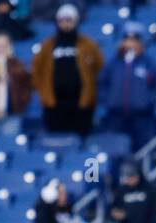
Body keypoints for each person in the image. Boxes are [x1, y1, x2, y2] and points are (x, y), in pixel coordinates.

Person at [32, 4, 103, 137]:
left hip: (81, 104)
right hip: (54, 104)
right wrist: (44, 92)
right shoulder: (47, 46)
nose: (66, 24)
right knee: (56, 139)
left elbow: (99, 67)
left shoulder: (88, 45)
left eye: (69, 20)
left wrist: (90, 91)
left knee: (80, 140)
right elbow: (37, 70)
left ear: (75, 21)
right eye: (62, 20)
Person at [98, 22, 156, 151]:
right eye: (127, 40)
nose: (130, 43)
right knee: (116, 149)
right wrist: (107, 101)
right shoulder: (113, 63)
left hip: (141, 117)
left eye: (134, 40)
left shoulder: (148, 64)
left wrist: (148, 103)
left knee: (142, 149)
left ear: (141, 43)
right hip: (116, 116)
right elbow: (101, 83)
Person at [107, 159, 156, 223]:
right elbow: (111, 211)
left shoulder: (150, 189)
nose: (129, 179)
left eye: (131, 176)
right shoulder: (121, 190)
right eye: (127, 176)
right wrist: (115, 214)